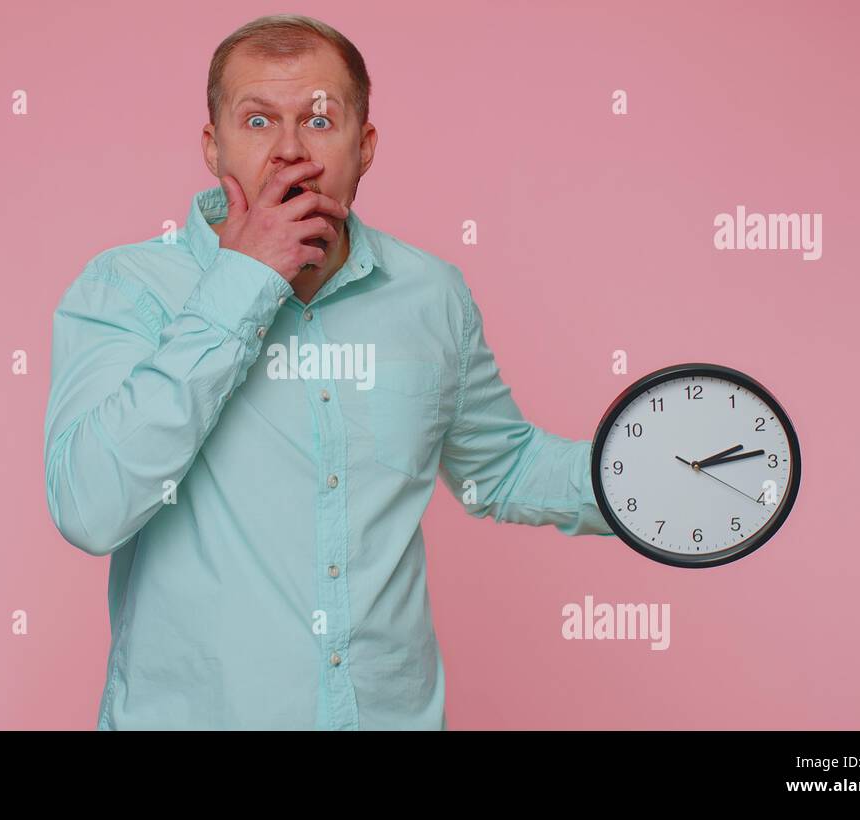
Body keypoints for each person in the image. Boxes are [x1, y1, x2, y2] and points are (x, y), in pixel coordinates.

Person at [43, 13, 615, 731]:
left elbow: (501, 468)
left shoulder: (431, 293)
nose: (289, 153)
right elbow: (89, 507)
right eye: (256, 121)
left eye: (319, 120)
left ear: (364, 145)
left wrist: (651, 483)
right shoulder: (127, 287)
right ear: (211, 144)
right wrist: (245, 278)